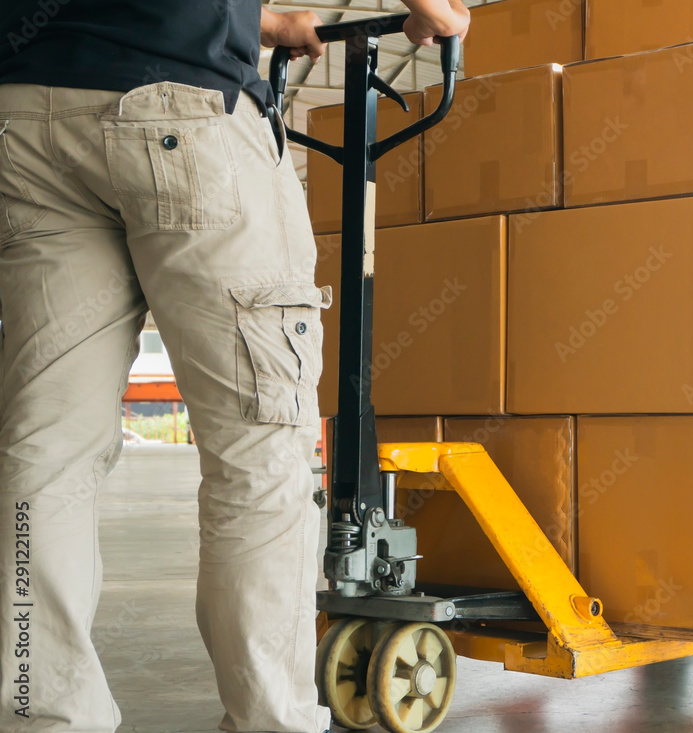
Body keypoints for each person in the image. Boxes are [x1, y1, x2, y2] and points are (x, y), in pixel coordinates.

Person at [0, 1, 469, 732]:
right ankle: (270, 720)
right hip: (176, 107)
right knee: (259, 444)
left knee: (44, 453)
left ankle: (42, 715)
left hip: (26, 119)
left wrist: (261, 22)